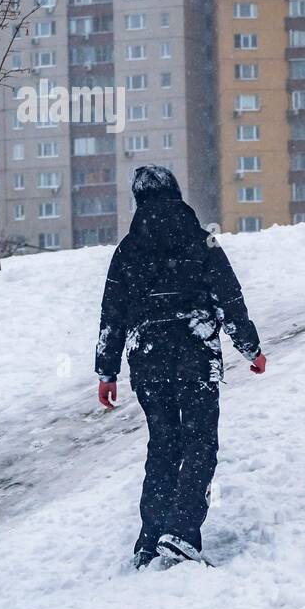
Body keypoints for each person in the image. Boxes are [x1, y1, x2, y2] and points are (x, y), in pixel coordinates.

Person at [95, 165, 266, 569]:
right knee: (200, 444)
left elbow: (112, 314)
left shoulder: (127, 250)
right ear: (175, 192)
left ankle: (150, 539)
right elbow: (229, 297)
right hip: (196, 354)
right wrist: (250, 347)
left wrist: (107, 371)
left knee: (163, 447)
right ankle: (183, 532)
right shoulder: (199, 240)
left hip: (148, 360)